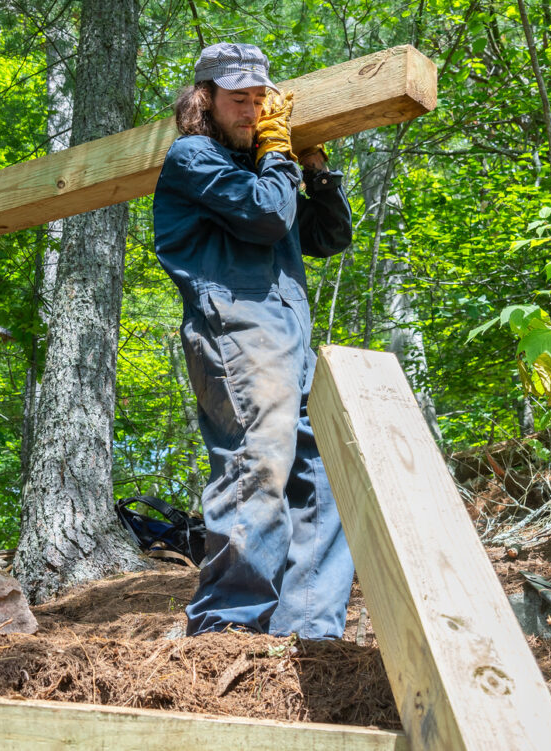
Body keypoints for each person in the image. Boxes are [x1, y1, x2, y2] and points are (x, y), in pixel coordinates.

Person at [153, 43, 355, 639]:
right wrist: (277, 153)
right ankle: (227, 626)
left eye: (261, 98)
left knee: (321, 476)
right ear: (205, 100)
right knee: (256, 463)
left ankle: (307, 627)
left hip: (291, 331)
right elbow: (267, 216)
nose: (253, 110)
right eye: (238, 98)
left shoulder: (267, 168)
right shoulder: (194, 156)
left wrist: (314, 168)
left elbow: (328, 236)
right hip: (236, 324)